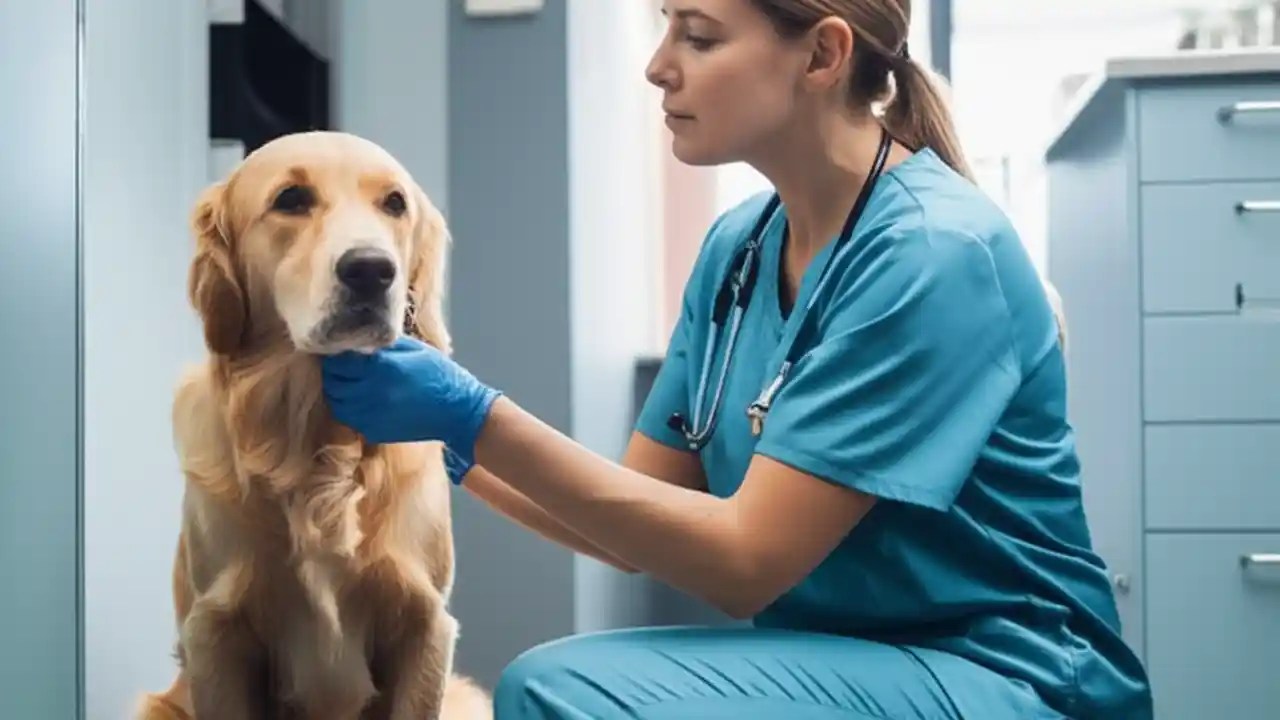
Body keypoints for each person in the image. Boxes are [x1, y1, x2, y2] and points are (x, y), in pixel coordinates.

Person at [320, 0, 1154, 718]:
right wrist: (437, 437)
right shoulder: (739, 250)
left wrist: (472, 411)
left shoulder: (933, 253)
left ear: (823, 54)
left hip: (1015, 678)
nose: (657, 66)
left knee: (559, 690)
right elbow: (631, 527)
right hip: (858, 661)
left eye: (699, 36)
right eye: (664, 29)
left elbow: (745, 563)